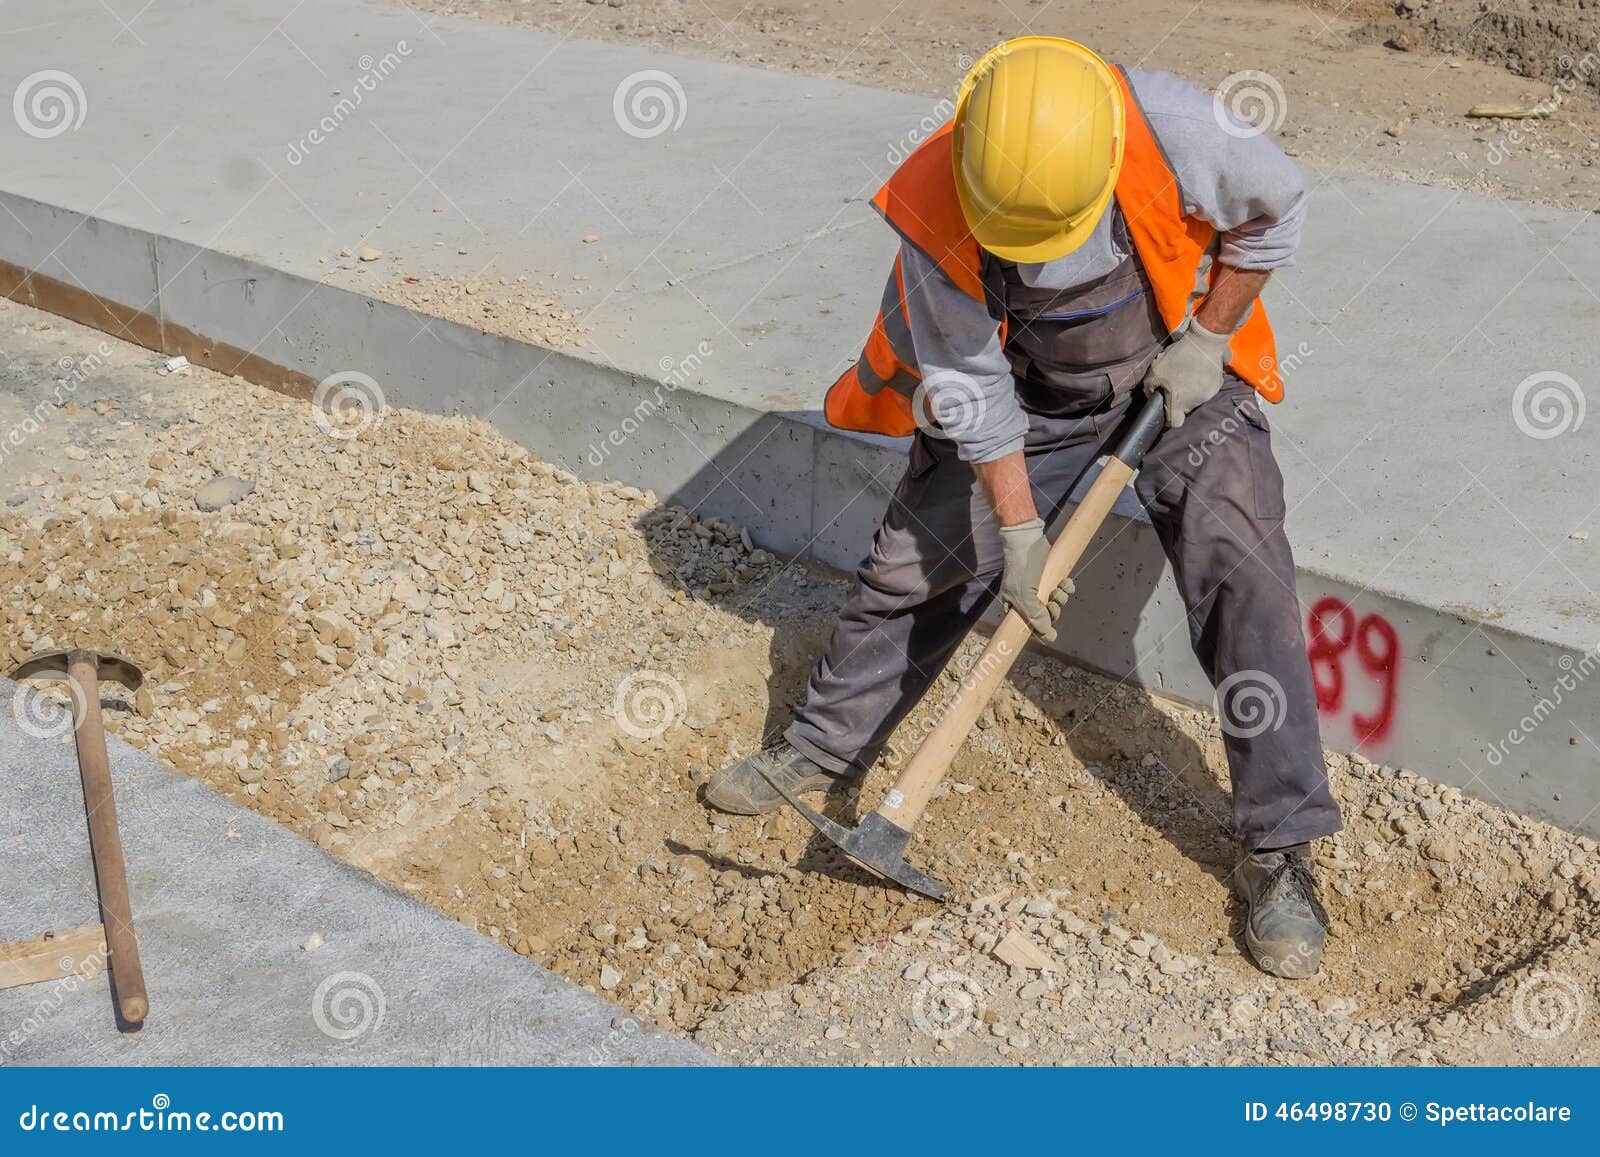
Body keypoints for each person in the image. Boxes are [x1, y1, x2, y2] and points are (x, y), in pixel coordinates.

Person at [702, 37, 1341, 978]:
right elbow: (967, 381)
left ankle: (1280, 847)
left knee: (1242, 553)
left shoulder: (1179, 131)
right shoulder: (936, 200)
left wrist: (1208, 340)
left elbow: (1276, 215)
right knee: (923, 554)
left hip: (1180, 371)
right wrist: (1017, 528)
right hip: (1033, 392)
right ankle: (821, 745)